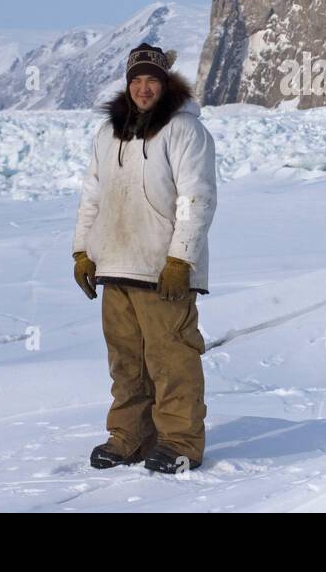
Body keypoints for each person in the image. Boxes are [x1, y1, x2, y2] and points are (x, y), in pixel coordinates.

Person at [71, 42, 217, 473]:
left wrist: (181, 260)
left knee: (172, 359)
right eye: (136, 79)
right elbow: (92, 198)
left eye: (152, 79)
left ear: (165, 83)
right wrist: (83, 251)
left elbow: (198, 198)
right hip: (115, 265)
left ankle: (180, 441)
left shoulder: (184, 131)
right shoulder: (108, 135)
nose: (143, 88)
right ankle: (130, 435)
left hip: (163, 270)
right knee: (126, 361)